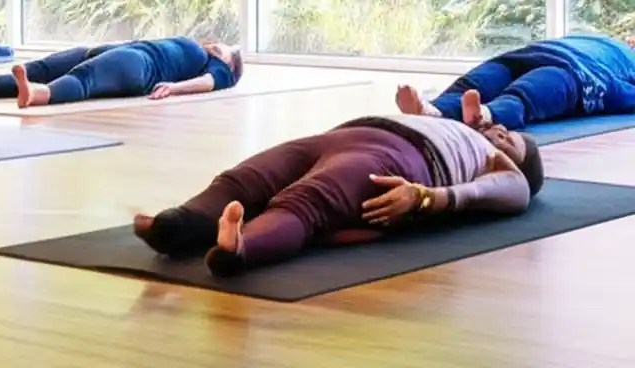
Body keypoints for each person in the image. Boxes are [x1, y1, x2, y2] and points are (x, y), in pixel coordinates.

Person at [133, 114, 545, 276]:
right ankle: (177, 225)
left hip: (397, 158)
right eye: (503, 131)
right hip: (340, 135)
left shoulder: (494, 163)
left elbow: (514, 191)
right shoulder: (452, 124)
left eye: (513, 143)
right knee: (243, 180)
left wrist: (427, 199)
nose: (502, 135)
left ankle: (239, 249)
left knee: (307, 202)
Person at [395, 34, 635, 131]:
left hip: (573, 71)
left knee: (526, 94)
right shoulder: (600, 38)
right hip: (528, 55)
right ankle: (432, 110)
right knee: (477, 82)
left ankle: (486, 115)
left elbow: (621, 94)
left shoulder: (628, 63)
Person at [0, 38, 243, 108]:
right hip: (118, 50)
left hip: (140, 65)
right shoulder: (197, 50)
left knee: (86, 78)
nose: (216, 45)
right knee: (41, 67)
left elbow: (210, 82)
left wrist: (174, 89)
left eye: (222, 49)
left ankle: (41, 94)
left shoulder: (218, 68)